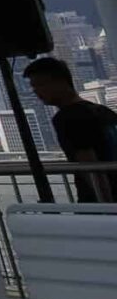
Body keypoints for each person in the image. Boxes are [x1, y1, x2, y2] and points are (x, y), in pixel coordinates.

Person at [23, 57, 117, 203]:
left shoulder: (68, 117)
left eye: (40, 85)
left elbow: (90, 166)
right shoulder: (103, 111)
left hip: (98, 202)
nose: (36, 92)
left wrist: (106, 205)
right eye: (33, 87)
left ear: (60, 82)